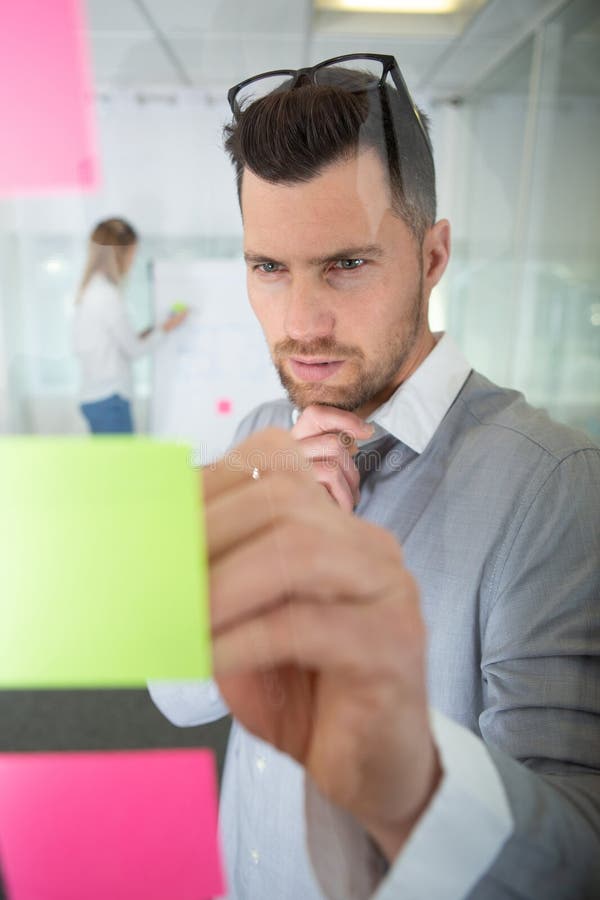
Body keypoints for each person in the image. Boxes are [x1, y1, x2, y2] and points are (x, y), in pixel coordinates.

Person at [149, 54, 600, 898]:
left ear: (433, 258)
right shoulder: (261, 431)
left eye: (347, 265)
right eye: (269, 268)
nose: (301, 324)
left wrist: (382, 742)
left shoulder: (554, 487)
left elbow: (574, 864)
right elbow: (179, 699)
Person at [72, 217, 187, 433]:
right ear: (121, 253)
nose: (133, 260)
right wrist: (166, 329)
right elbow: (133, 350)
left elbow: (115, 344)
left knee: (108, 466)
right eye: (133, 253)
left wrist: (153, 330)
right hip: (110, 400)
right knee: (119, 467)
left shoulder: (91, 291)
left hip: (93, 397)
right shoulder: (108, 296)